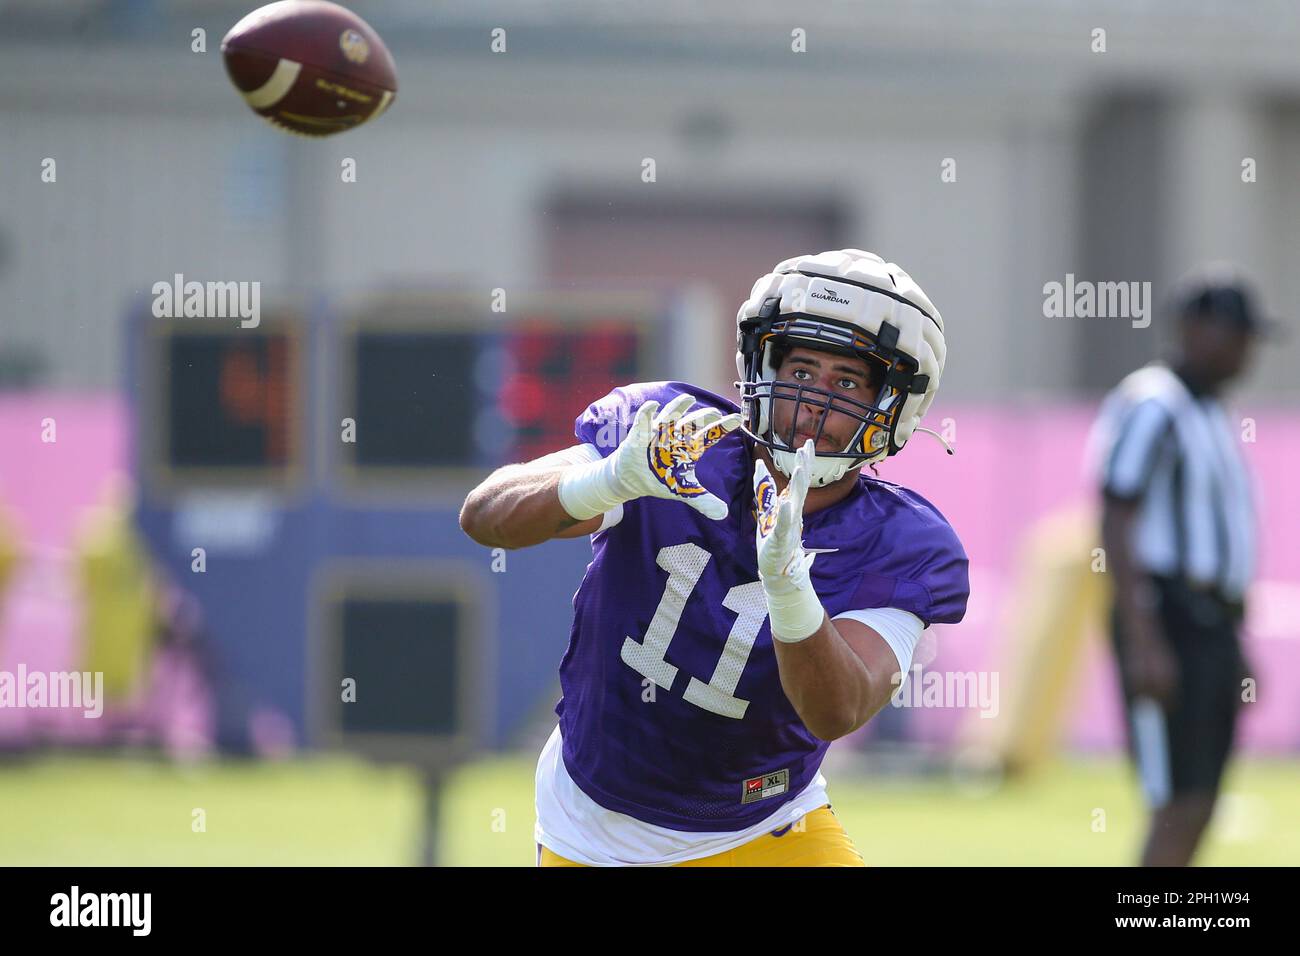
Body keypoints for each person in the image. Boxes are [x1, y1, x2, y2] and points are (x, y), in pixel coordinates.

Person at [461, 249, 969, 866]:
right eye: (802, 372)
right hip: (593, 829)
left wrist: (787, 588)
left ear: (895, 404)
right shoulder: (677, 441)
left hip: (765, 827)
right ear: (761, 368)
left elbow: (838, 709)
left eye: (846, 382)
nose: (816, 406)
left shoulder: (902, 541)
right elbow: (485, 516)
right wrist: (609, 481)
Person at [1089, 263, 1281, 866]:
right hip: (1166, 614)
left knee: (1200, 798)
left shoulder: (1211, 412)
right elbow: (1117, 512)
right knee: (1172, 800)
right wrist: (1144, 636)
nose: (1248, 350)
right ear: (1196, 328)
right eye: (1238, 332)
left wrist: (1233, 638)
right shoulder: (1155, 403)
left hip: (1209, 623)